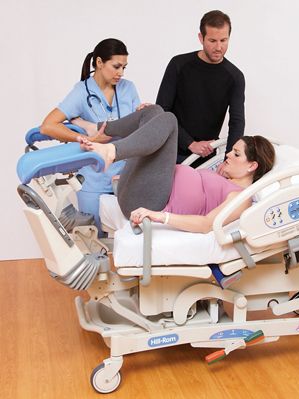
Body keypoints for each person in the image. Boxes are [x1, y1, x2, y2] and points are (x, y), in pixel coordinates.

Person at [77, 105, 275, 234]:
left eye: (237, 154)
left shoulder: (241, 198)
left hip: (150, 201)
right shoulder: (221, 177)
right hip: (140, 188)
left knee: (169, 120)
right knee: (154, 111)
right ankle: (100, 130)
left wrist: (160, 217)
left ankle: (111, 150)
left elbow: (207, 224)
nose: (229, 155)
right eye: (231, 151)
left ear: (252, 166)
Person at [40, 38, 141, 235]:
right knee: (93, 239)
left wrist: (142, 113)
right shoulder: (81, 92)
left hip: (126, 177)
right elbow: (48, 126)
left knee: (133, 239)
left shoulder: (128, 88)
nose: (121, 73)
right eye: (116, 66)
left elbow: (137, 127)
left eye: (124, 67)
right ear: (99, 62)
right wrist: (85, 139)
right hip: (94, 181)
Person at [156, 10, 245, 166]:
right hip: (170, 150)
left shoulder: (235, 77)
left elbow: (237, 122)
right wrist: (190, 143)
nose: (219, 47)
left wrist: (228, 162)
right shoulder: (179, 64)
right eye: (212, 41)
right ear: (200, 38)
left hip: (206, 155)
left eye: (223, 40)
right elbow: (162, 111)